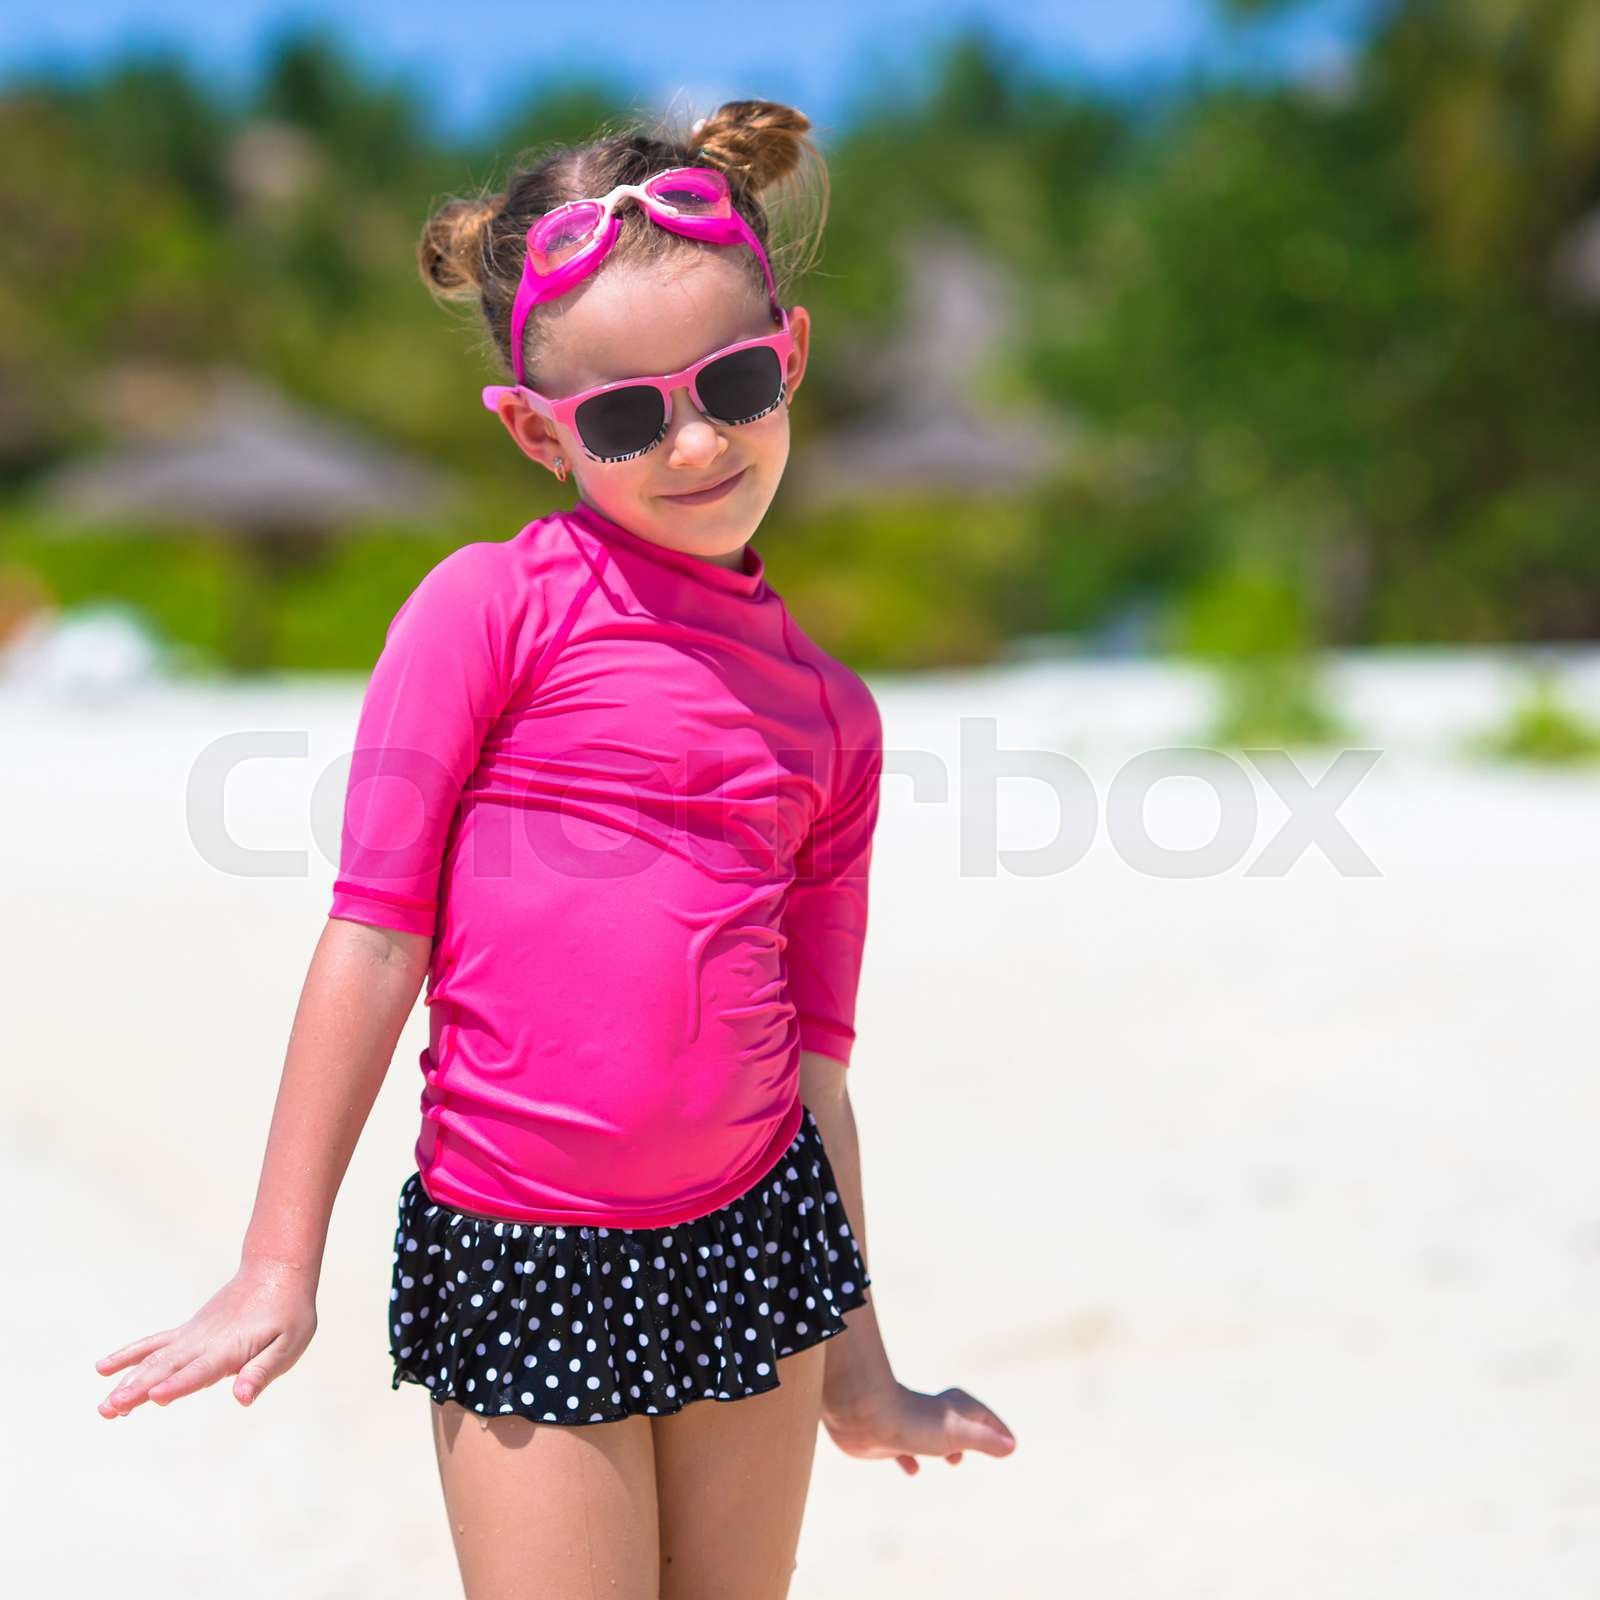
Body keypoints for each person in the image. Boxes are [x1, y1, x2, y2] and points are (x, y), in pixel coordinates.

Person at [94, 98, 1015, 1597]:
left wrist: (861, 1368)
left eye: (730, 385)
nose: (698, 439)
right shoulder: (487, 612)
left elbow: (816, 1074)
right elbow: (376, 933)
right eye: (630, 415)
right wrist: (280, 1258)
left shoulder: (835, 719)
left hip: (755, 1245)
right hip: (526, 1245)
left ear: (787, 360)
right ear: (537, 429)